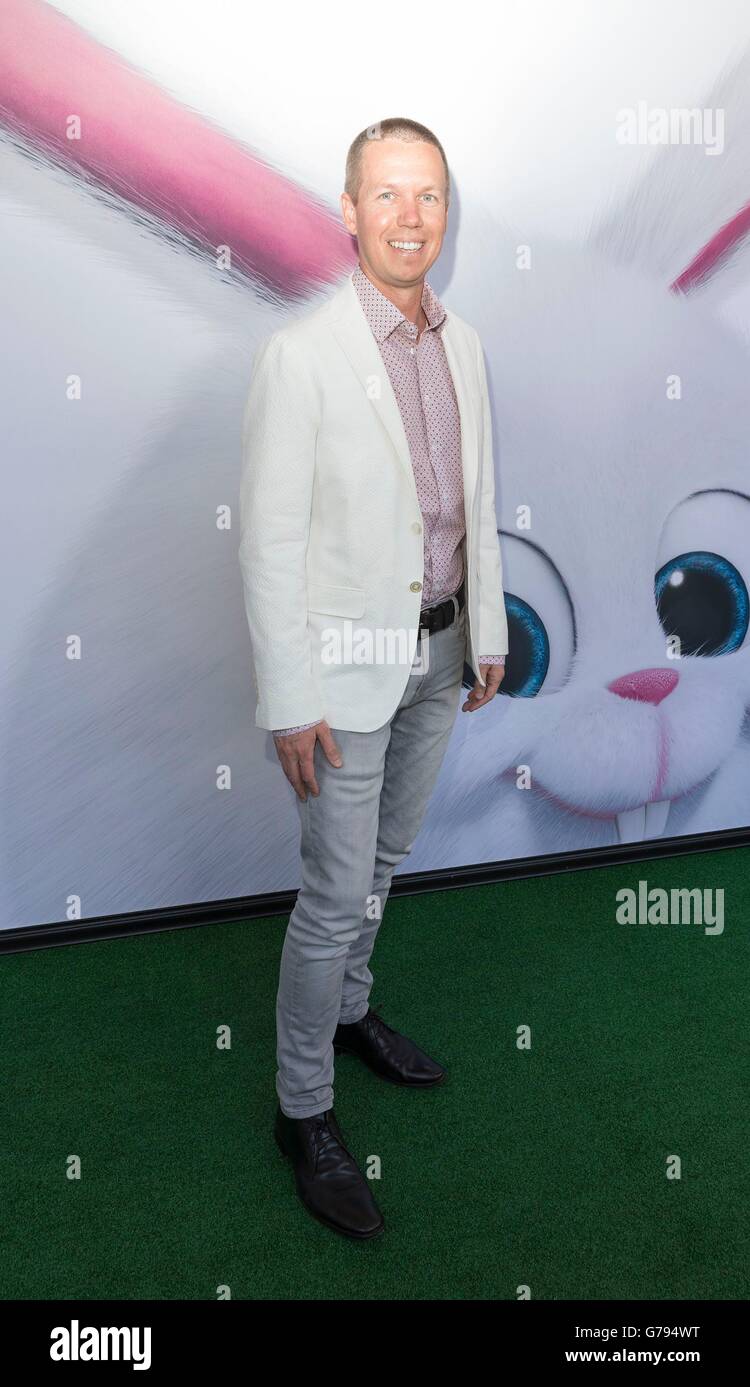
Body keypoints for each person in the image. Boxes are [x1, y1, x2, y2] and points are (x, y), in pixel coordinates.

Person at [239, 116, 508, 1239]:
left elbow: (479, 502)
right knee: (333, 891)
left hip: (443, 655)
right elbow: (267, 540)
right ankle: (303, 1110)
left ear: (447, 213)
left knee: (389, 861)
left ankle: (354, 1012)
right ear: (348, 211)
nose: (411, 217)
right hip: (340, 678)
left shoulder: (466, 344)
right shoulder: (300, 355)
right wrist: (289, 694)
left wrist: (485, 629)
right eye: (387, 195)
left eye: (430, 196)